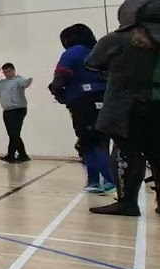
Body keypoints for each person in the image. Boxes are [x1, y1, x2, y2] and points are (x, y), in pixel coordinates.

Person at [84, 0, 160, 216]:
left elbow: (92, 63)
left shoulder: (117, 39)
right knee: (158, 153)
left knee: (127, 153)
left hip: (126, 106)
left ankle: (127, 202)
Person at [48, 24, 112, 193]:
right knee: (100, 141)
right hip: (105, 99)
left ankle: (112, 180)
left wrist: (58, 93)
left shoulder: (73, 52)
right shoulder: (98, 51)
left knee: (87, 143)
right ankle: (94, 181)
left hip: (83, 102)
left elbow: (59, 79)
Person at [0, 62, 33, 163]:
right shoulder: (2, 83)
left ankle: (10, 155)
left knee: (14, 133)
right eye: (5, 72)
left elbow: (25, 83)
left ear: (13, 70)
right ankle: (23, 155)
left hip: (18, 109)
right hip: (7, 111)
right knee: (13, 134)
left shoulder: (18, 80)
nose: (7, 74)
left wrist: (28, 82)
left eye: (9, 71)